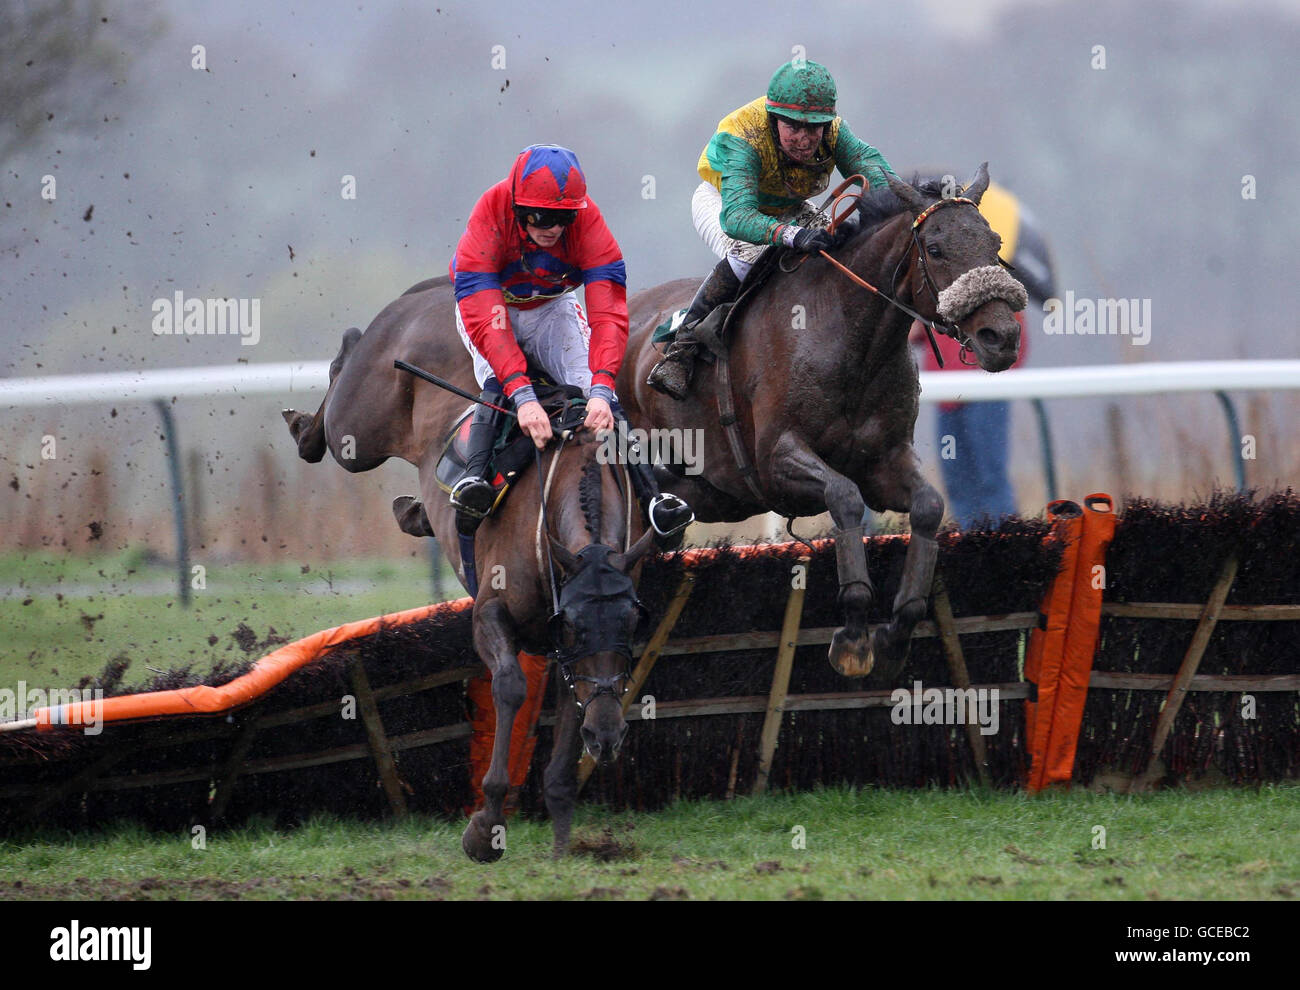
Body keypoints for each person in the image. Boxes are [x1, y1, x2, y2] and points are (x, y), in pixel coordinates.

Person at [449, 143, 692, 537]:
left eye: (563, 218)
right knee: (501, 380)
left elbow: (608, 314)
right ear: (515, 206)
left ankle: (652, 499)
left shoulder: (589, 222)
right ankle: (474, 480)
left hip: (551, 304)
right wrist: (522, 396)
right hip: (489, 305)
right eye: (541, 216)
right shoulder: (490, 212)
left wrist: (600, 388)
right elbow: (486, 317)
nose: (553, 228)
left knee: (599, 396)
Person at [647, 59, 898, 399]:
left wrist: (912, 202)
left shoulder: (835, 132)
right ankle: (681, 350)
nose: (805, 139)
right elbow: (738, 217)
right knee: (751, 252)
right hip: (724, 203)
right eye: (794, 126)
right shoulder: (744, 135)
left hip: (786, 206)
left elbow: (877, 174)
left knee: (839, 249)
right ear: (773, 117)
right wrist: (793, 234)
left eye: (815, 128)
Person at [906, 173, 1057, 527]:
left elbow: (1012, 337)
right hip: (947, 395)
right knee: (958, 483)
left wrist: (997, 373)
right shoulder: (941, 276)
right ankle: (976, 553)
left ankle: (1003, 550)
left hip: (984, 391)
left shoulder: (992, 275)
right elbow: (924, 332)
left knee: (989, 480)